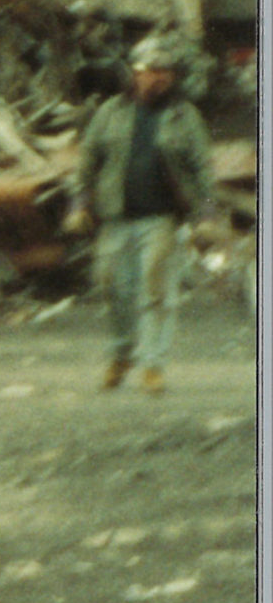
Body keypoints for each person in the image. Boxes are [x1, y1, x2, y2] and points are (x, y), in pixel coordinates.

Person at [64, 34, 217, 392]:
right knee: (111, 286)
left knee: (155, 289)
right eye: (149, 71)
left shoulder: (184, 116)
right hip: (115, 219)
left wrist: (206, 216)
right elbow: (87, 163)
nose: (156, 78)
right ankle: (122, 354)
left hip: (161, 219)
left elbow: (202, 170)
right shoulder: (110, 113)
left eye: (164, 72)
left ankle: (153, 365)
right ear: (135, 73)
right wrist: (77, 205)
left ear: (173, 77)